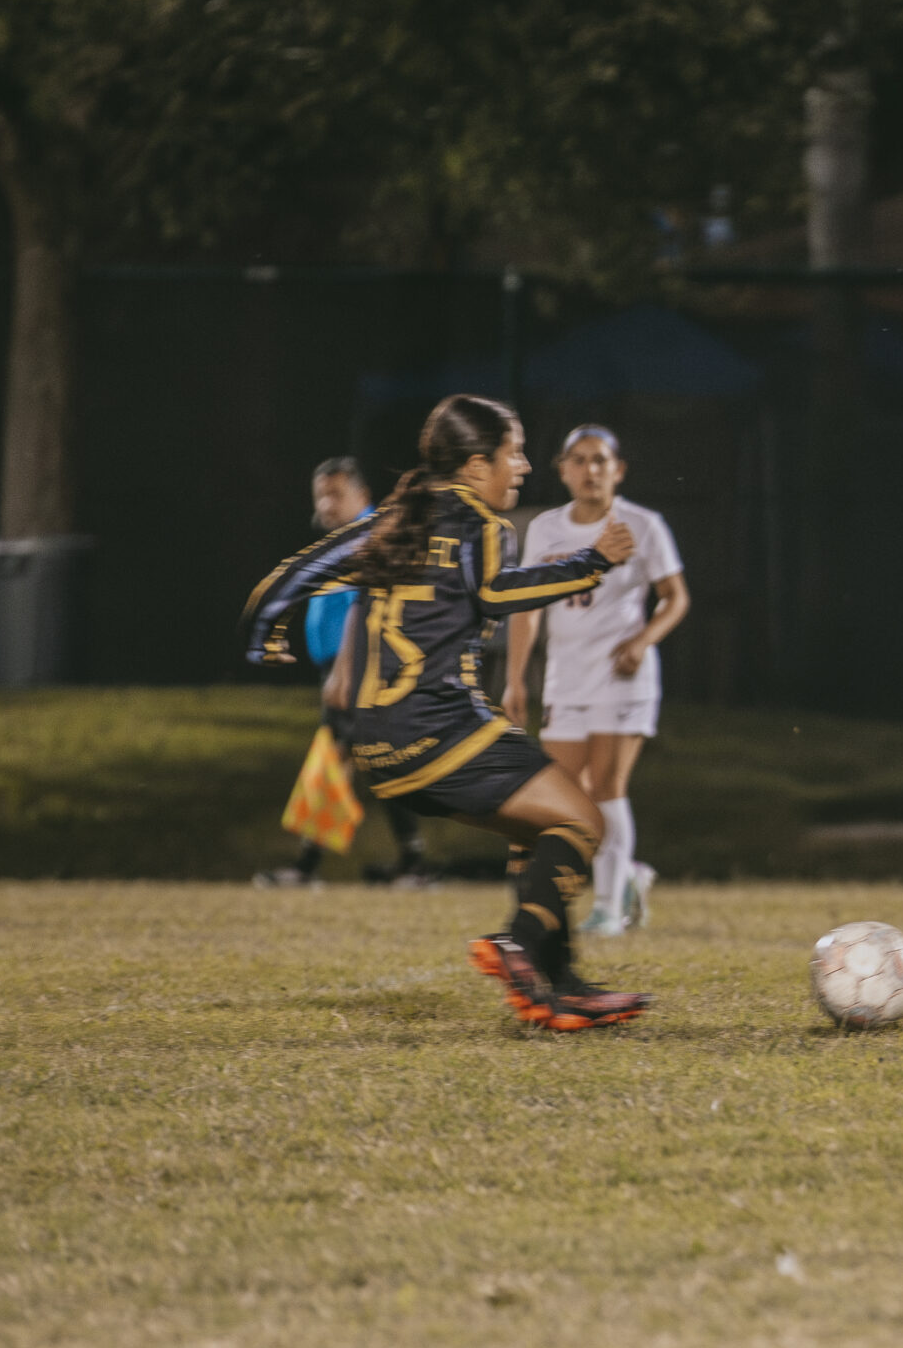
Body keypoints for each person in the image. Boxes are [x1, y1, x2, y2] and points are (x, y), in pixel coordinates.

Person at [243, 394, 651, 1032]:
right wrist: (590, 563)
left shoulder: (393, 520)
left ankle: (557, 985)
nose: (521, 467)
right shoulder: (486, 527)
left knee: (534, 829)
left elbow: (297, 571)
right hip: (441, 728)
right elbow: (496, 593)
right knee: (582, 824)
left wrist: (265, 633)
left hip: (377, 744)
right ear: (473, 464)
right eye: (512, 454)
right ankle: (520, 946)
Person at [507, 425, 690, 936]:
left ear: (618, 470)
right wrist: (516, 681)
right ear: (563, 469)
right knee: (566, 798)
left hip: (623, 679)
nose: (591, 470)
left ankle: (609, 908)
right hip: (567, 681)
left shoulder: (642, 524)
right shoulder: (545, 529)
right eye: (580, 460)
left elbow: (675, 597)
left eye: (601, 461)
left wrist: (642, 641)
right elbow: (527, 609)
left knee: (607, 788)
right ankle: (627, 876)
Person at [254, 458, 434, 890]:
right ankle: (406, 862)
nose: (326, 502)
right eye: (321, 493)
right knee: (349, 762)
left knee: (357, 760)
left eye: (336, 493)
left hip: (360, 667)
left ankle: (401, 863)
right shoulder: (344, 540)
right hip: (346, 667)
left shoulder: (369, 536)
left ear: (362, 494)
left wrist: (345, 671)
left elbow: (368, 604)